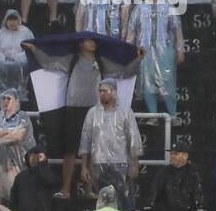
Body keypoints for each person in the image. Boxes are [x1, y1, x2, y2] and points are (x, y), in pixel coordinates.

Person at [23, 35, 138, 200]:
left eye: (94, 41)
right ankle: (65, 189)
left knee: (92, 151)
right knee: (70, 151)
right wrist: (34, 49)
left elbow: (123, 71)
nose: (93, 43)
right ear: (81, 43)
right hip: (73, 110)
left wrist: (138, 59)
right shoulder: (71, 60)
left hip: (94, 111)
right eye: (88, 40)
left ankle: (90, 190)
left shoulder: (101, 61)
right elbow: (48, 62)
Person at [79, 78, 142, 211]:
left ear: (114, 92)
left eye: (105, 91)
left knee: (124, 201)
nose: (102, 94)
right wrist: (84, 166)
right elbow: (85, 140)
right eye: (100, 91)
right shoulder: (92, 113)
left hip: (121, 162)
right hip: (98, 163)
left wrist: (135, 163)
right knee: (101, 203)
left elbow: (134, 139)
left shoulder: (125, 112)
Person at [127, 0, 184, 115]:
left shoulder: (168, 7)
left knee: (168, 84)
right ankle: (153, 114)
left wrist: (180, 51)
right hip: (144, 52)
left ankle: (172, 114)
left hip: (165, 51)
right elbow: (131, 31)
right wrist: (128, 51)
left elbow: (177, 30)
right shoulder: (139, 8)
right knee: (148, 85)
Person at [0, 89, 36, 205]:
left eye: (9, 98)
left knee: (15, 199)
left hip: (15, 167)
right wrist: (8, 131)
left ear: (16, 101)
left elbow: (17, 137)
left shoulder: (23, 116)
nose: (5, 101)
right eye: (3, 98)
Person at [0, 9, 33, 101]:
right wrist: (2, 57)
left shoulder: (25, 31)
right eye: (10, 20)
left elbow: (31, 47)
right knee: (1, 66)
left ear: (19, 20)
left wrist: (20, 57)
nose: (12, 22)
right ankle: (2, 93)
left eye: (15, 19)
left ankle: (20, 93)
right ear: (6, 21)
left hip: (21, 61)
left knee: (21, 66)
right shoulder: (1, 32)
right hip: (4, 61)